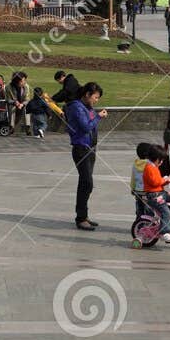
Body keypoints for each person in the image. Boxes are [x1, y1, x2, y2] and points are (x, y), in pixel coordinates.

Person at [65, 82, 108, 230]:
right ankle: (81, 218)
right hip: (81, 149)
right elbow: (85, 127)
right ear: (87, 94)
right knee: (86, 182)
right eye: (95, 97)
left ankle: (84, 216)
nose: (96, 101)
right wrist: (98, 116)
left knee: (86, 184)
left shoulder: (87, 107)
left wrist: (95, 116)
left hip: (90, 149)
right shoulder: (76, 107)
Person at [131, 142, 170, 243]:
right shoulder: (150, 166)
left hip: (138, 191)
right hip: (150, 192)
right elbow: (155, 181)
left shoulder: (136, 164)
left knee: (140, 210)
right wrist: (165, 180)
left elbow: (133, 178)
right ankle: (153, 229)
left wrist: (132, 188)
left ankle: (140, 227)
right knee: (151, 211)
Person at [7, 72, 32, 137]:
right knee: (12, 107)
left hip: (22, 104)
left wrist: (22, 104)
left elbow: (27, 99)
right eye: (22, 81)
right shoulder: (9, 87)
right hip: (14, 104)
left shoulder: (26, 87)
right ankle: (11, 127)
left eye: (24, 80)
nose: (24, 82)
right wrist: (15, 102)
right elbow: (8, 99)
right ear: (17, 82)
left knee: (27, 108)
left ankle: (28, 128)